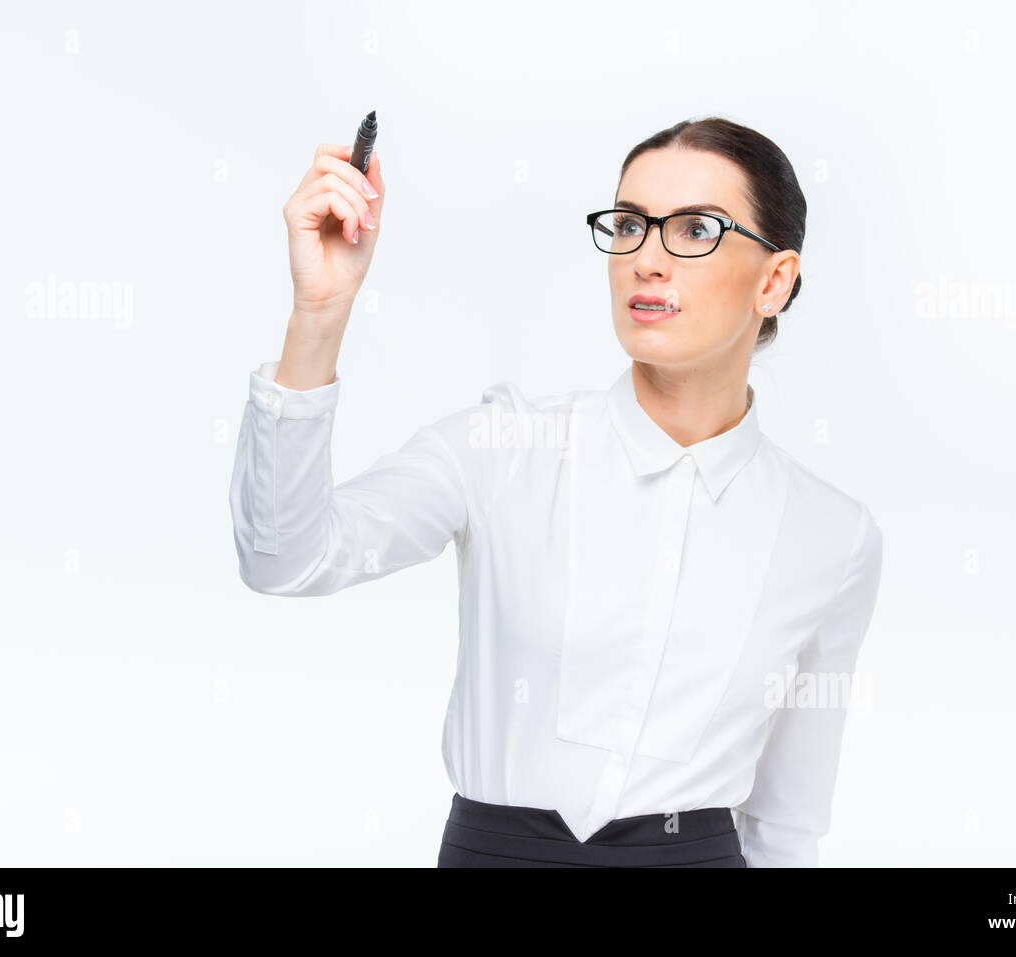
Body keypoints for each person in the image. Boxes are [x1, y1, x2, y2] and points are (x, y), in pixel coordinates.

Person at [229, 116, 884, 867]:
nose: (646, 259)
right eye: (631, 225)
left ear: (775, 279)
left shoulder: (833, 536)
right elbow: (283, 559)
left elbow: (787, 826)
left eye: (696, 228)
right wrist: (320, 313)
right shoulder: (501, 450)